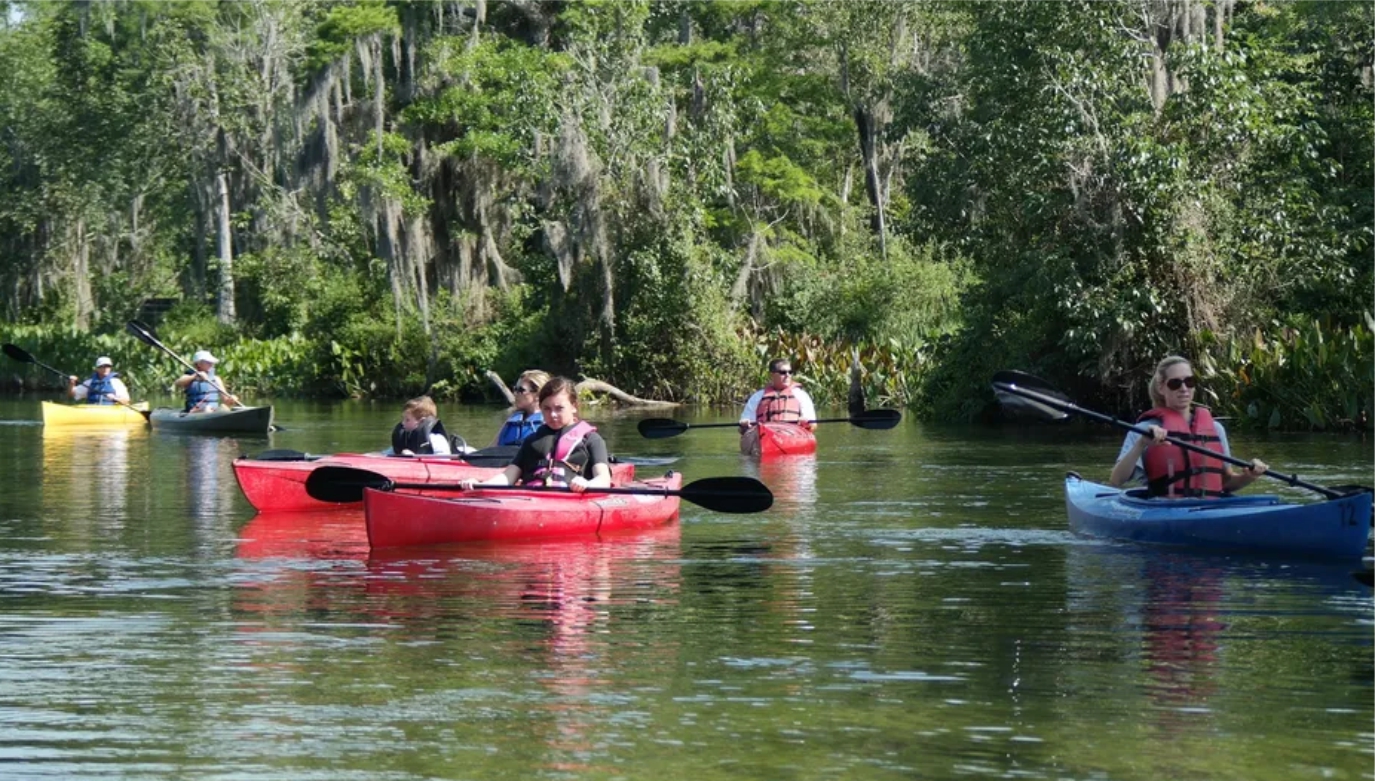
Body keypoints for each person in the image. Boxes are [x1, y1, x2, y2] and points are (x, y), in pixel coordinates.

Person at [1109, 355, 1268, 497]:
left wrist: (1249, 477)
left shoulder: (1216, 429)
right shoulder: (1144, 430)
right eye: (1175, 383)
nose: (1184, 389)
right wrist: (1141, 444)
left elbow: (1226, 483)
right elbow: (1116, 480)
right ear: (1161, 387)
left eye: (1189, 382)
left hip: (1208, 509)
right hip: (1163, 511)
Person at [460, 376, 612, 493]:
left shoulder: (591, 440)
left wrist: (588, 484)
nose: (552, 414)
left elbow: (603, 479)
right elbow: (508, 476)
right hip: (533, 497)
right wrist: (481, 485)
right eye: (546, 408)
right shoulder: (532, 441)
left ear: (574, 407)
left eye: (559, 408)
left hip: (571, 498)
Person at [739, 358, 817, 432]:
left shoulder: (800, 395)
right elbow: (743, 426)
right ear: (772, 375)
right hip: (764, 434)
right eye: (783, 372)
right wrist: (745, 425)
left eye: (790, 372)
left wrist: (806, 422)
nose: (788, 375)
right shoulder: (757, 396)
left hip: (792, 433)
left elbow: (813, 424)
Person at [492, 370, 549, 447]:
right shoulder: (512, 420)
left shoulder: (549, 420)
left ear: (538, 395)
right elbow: (490, 448)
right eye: (515, 389)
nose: (515, 393)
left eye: (521, 390)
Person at [172, 350, 239, 413]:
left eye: (211, 362)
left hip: (212, 411)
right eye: (208, 362)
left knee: (224, 407)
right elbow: (178, 383)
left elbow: (225, 399)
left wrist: (232, 399)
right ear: (199, 364)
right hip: (195, 411)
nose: (211, 364)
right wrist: (195, 376)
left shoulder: (216, 379)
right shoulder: (190, 377)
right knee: (207, 409)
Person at [388, 395, 453, 456]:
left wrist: (414, 457)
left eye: (407, 420)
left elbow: (444, 460)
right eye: (403, 419)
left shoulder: (437, 440)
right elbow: (385, 455)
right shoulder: (405, 438)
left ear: (421, 421)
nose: (403, 423)